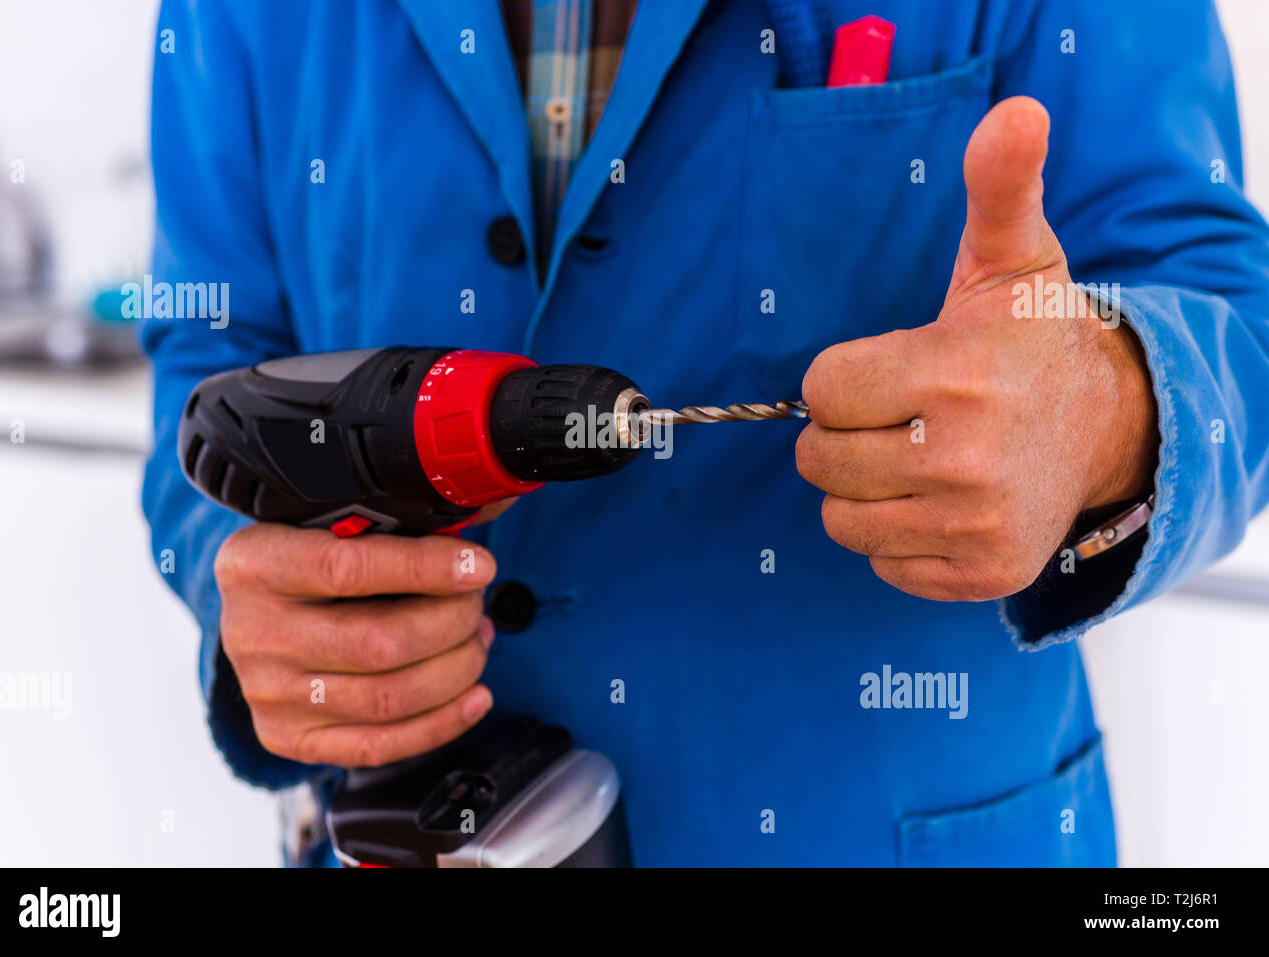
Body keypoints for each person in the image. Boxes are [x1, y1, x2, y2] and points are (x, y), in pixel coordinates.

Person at [141, 0, 1269, 866]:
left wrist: (1103, 406)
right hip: (406, 830)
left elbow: (1231, 317)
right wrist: (252, 593)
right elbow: (208, 356)